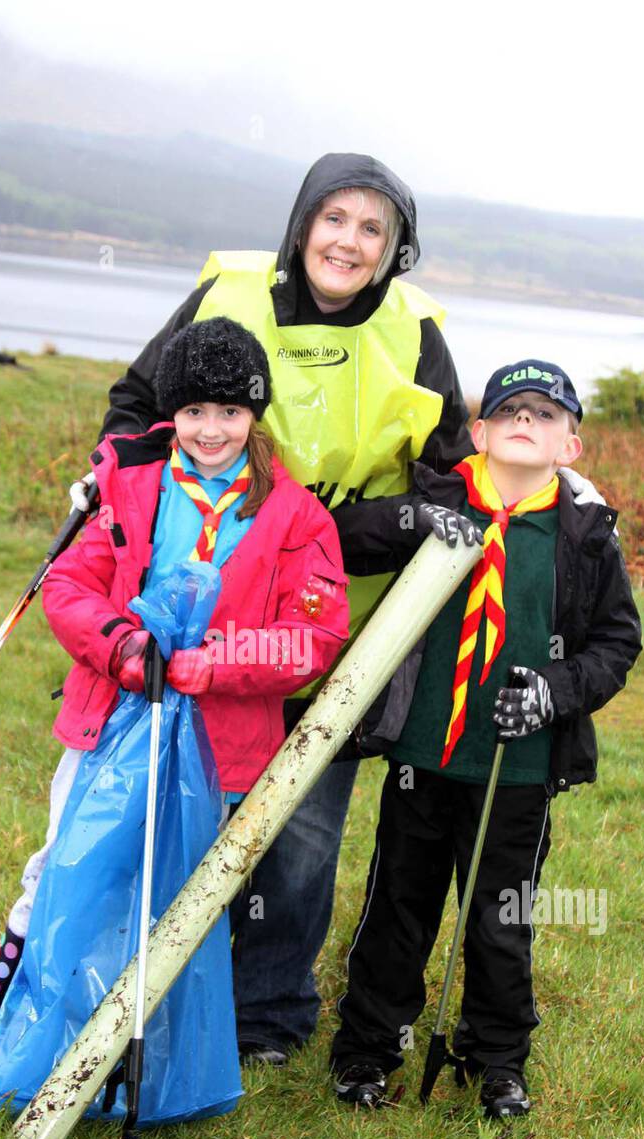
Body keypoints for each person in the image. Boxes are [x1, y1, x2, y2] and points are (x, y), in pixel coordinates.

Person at [77, 152, 478, 1064]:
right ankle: (156, 991)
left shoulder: (417, 335)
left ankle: (267, 1015)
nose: (350, 241)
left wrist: (340, 531)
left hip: (330, 632)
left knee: (300, 830)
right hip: (198, 622)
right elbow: (138, 405)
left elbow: (445, 491)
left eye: (373, 229)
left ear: (394, 250)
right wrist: (119, 495)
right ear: (302, 223)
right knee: (186, 806)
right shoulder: (230, 290)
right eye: (335, 218)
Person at [0, 317, 350, 1061]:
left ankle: (141, 1045)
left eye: (229, 411)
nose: (211, 429)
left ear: (256, 413)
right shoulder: (134, 488)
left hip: (217, 743)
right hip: (113, 716)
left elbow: (313, 638)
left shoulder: (297, 514)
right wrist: (123, 646)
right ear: (172, 415)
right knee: (68, 861)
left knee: (182, 893)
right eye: (194, 411)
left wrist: (211, 665)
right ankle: (1, 1012)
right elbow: (69, 584)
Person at [328, 360, 642, 1117]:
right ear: (479, 432)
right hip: (422, 758)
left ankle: (496, 1058)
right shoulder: (440, 499)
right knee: (399, 905)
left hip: (519, 766)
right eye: (508, 412)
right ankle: (368, 1048)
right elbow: (344, 537)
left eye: (544, 414)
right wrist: (413, 521)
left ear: (570, 444)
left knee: (502, 917)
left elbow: (616, 642)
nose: (524, 423)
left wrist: (553, 693)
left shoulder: (584, 534)